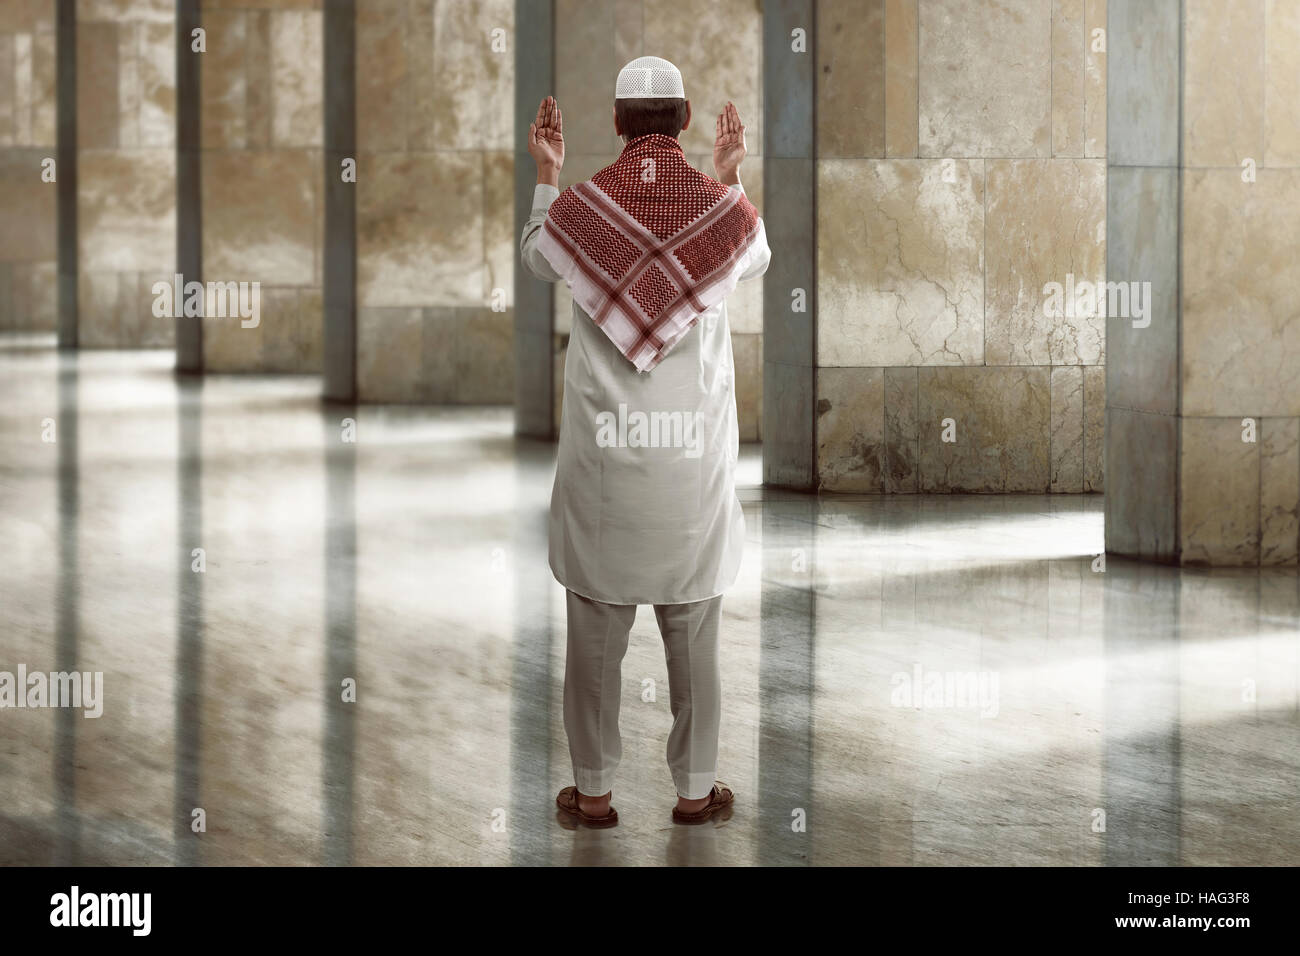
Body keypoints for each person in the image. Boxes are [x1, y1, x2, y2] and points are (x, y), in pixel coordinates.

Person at [519, 56, 771, 827]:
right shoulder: (720, 213)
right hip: (690, 463)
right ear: (686, 121)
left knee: (595, 635)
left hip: (605, 463)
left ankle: (593, 794)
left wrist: (548, 172)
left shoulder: (584, 210)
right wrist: (730, 177)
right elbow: (755, 255)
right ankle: (694, 792)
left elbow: (537, 250)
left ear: (621, 123)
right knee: (694, 632)